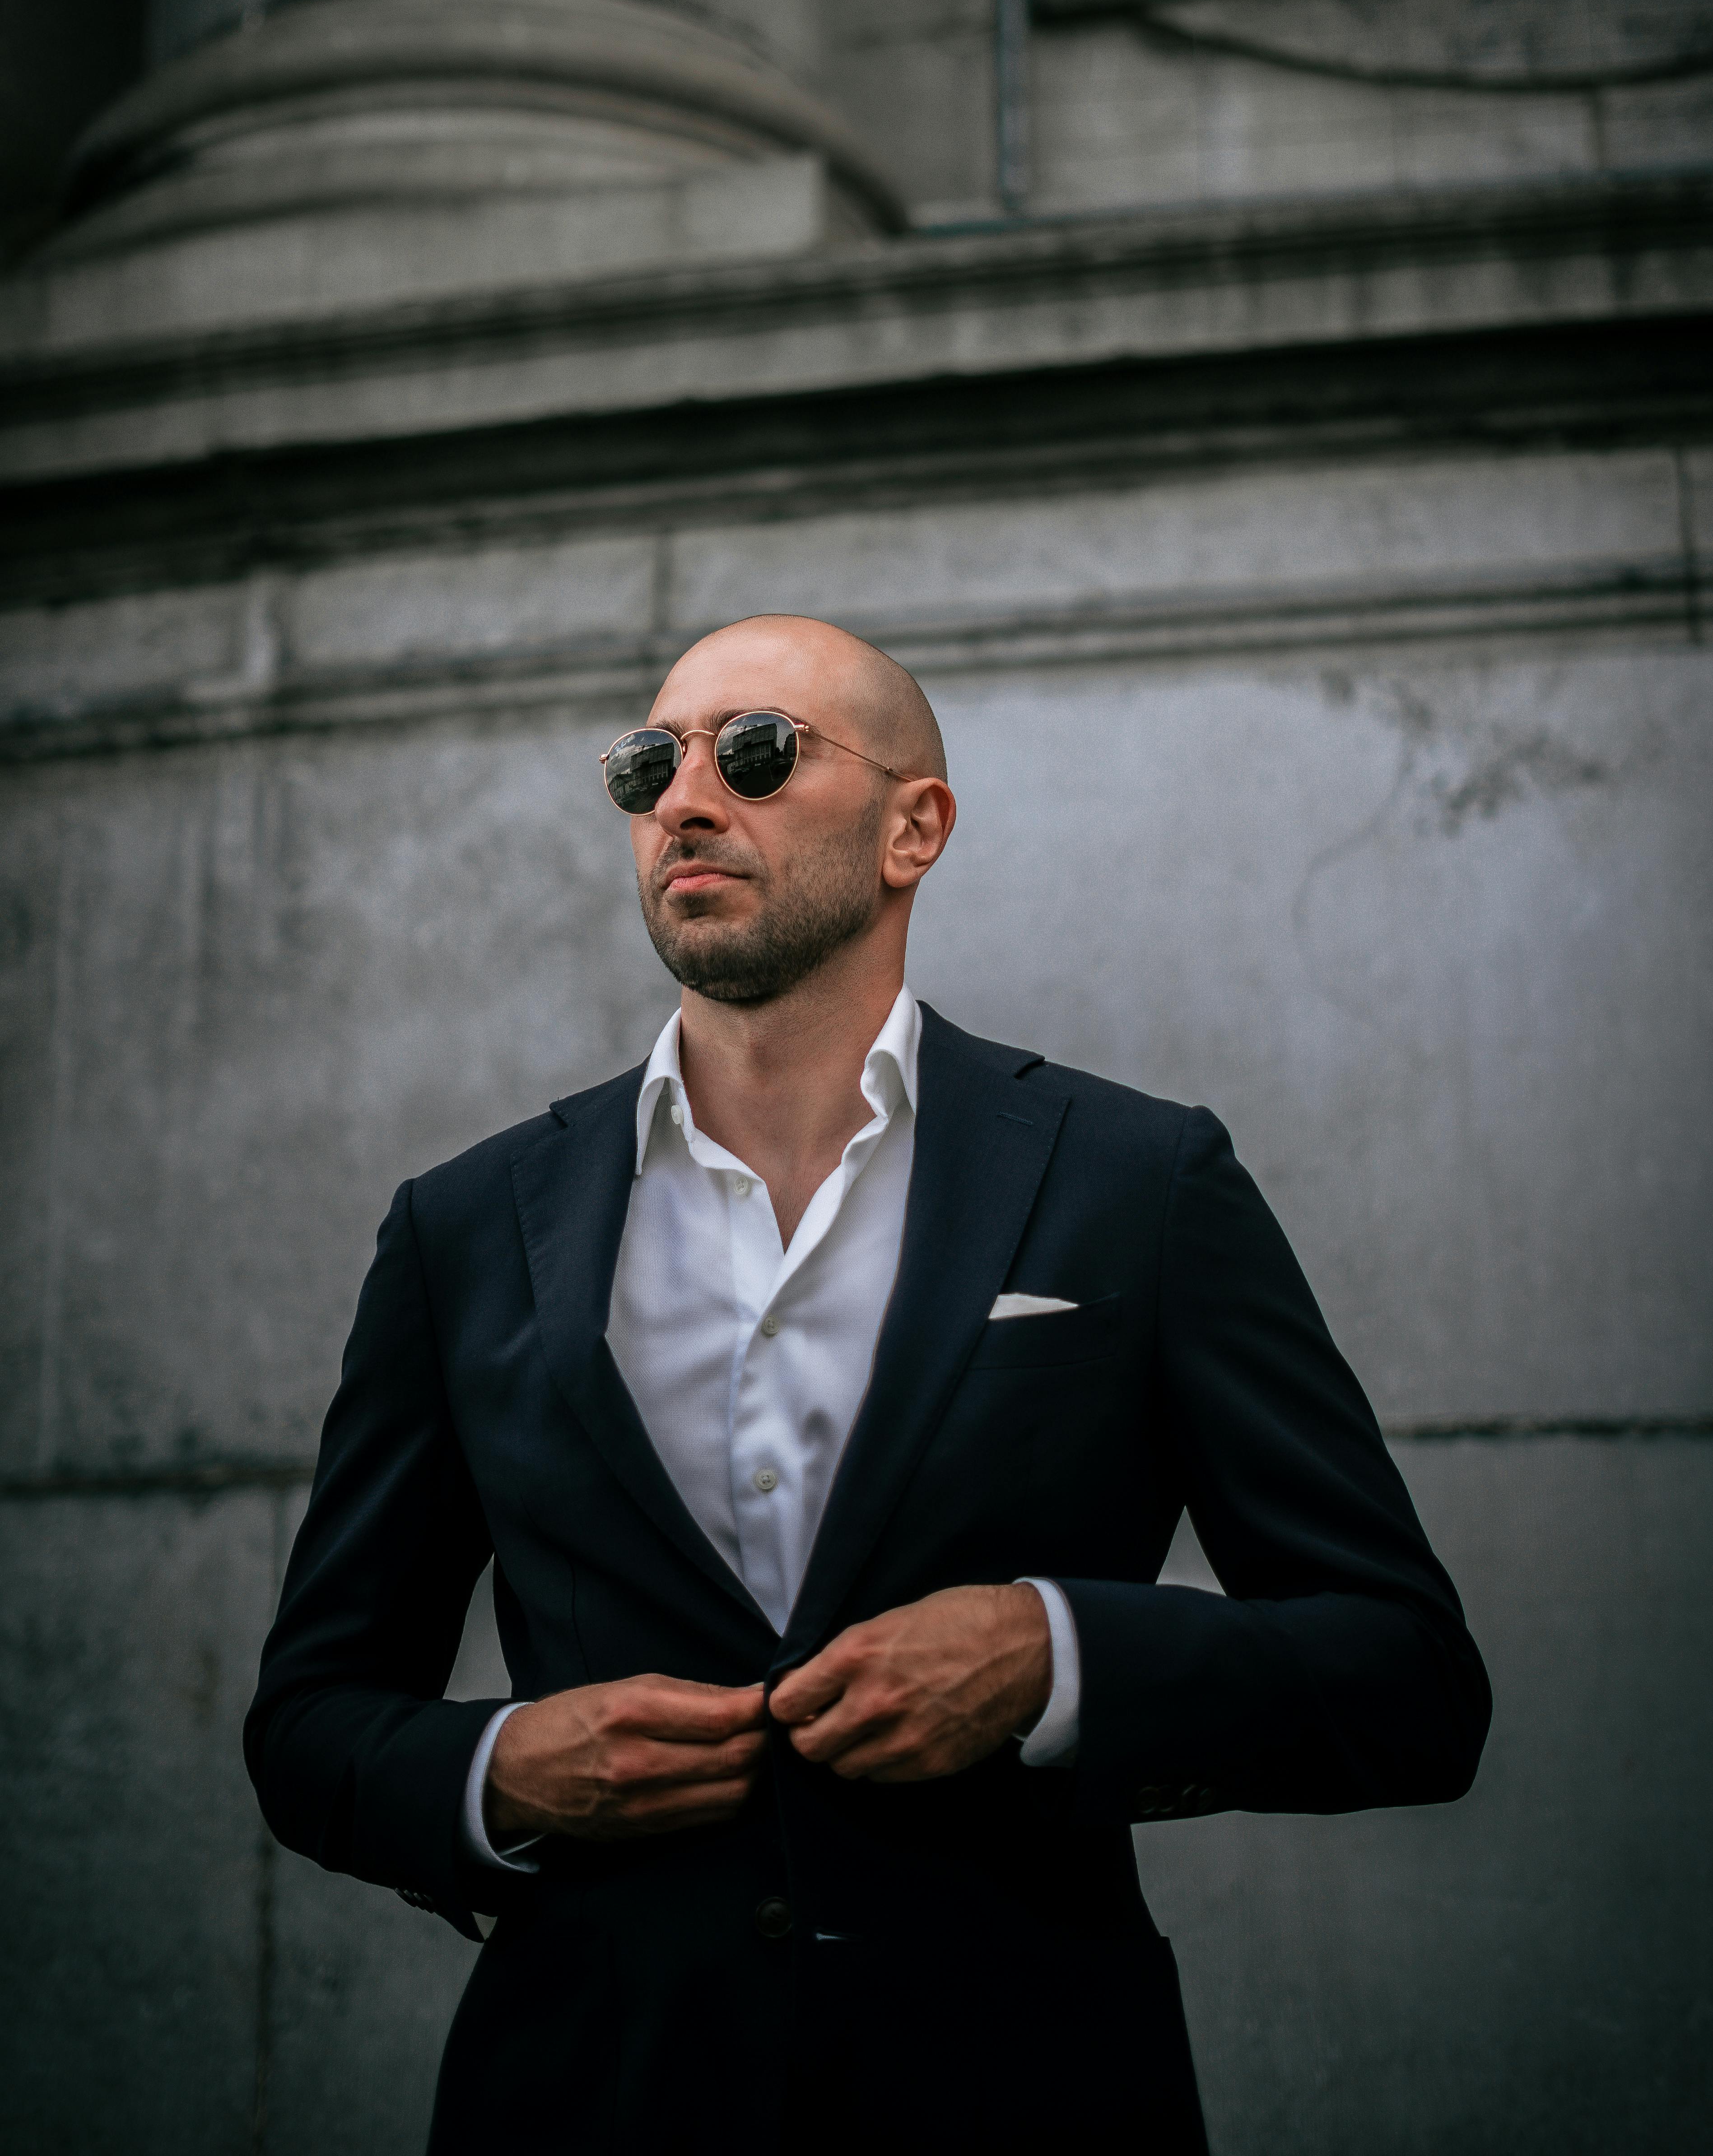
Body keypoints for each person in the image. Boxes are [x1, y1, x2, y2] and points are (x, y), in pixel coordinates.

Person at [245, 613, 1490, 2154]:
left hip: (1022, 2102)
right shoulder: (464, 1224)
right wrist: (502, 1769)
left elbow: (1410, 1685)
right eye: (651, 767)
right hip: (590, 2101)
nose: (686, 801)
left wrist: (1052, 1658)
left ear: (917, 827)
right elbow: (306, 1722)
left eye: (755, 753)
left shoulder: (1137, 1180)